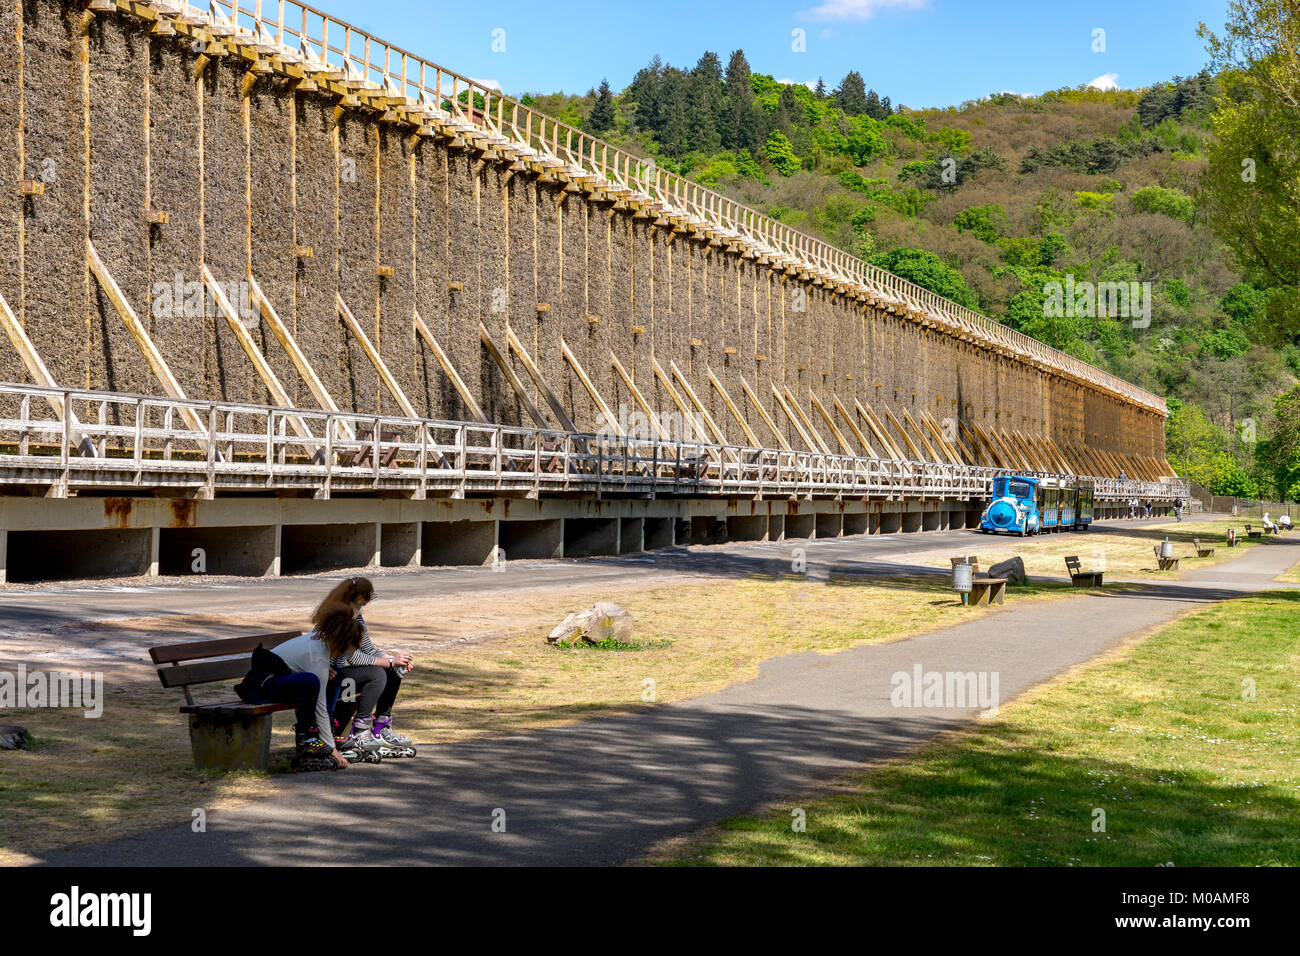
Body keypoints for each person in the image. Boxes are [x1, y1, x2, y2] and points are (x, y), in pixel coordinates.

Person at [234, 603, 363, 772]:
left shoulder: (319, 642)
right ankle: (306, 739)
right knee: (311, 680)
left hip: (277, 680)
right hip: (259, 688)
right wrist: (333, 750)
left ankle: (327, 732)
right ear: (340, 642)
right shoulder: (316, 654)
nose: (346, 654)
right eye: (347, 650)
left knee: (335, 676)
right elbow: (320, 706)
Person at [317, 578, 418, 759]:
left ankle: (381, 726)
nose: (364, 607)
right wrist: (389, 662)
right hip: (327, 676)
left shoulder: (357, 617)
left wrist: (396, 661)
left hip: (339, 675)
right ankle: (360, 730)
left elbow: (369, 650)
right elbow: (353, 658)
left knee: (391, 670)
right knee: (378, 673)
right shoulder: (336, 618)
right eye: (363, 602)